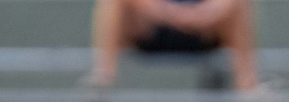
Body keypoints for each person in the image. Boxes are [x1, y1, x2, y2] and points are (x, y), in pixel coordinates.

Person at [88, 0, 261, 93]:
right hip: (152, 27)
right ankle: (104, 78)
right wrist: (169, 13)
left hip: (203, 30)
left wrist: (203, 15)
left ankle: (247, 88)